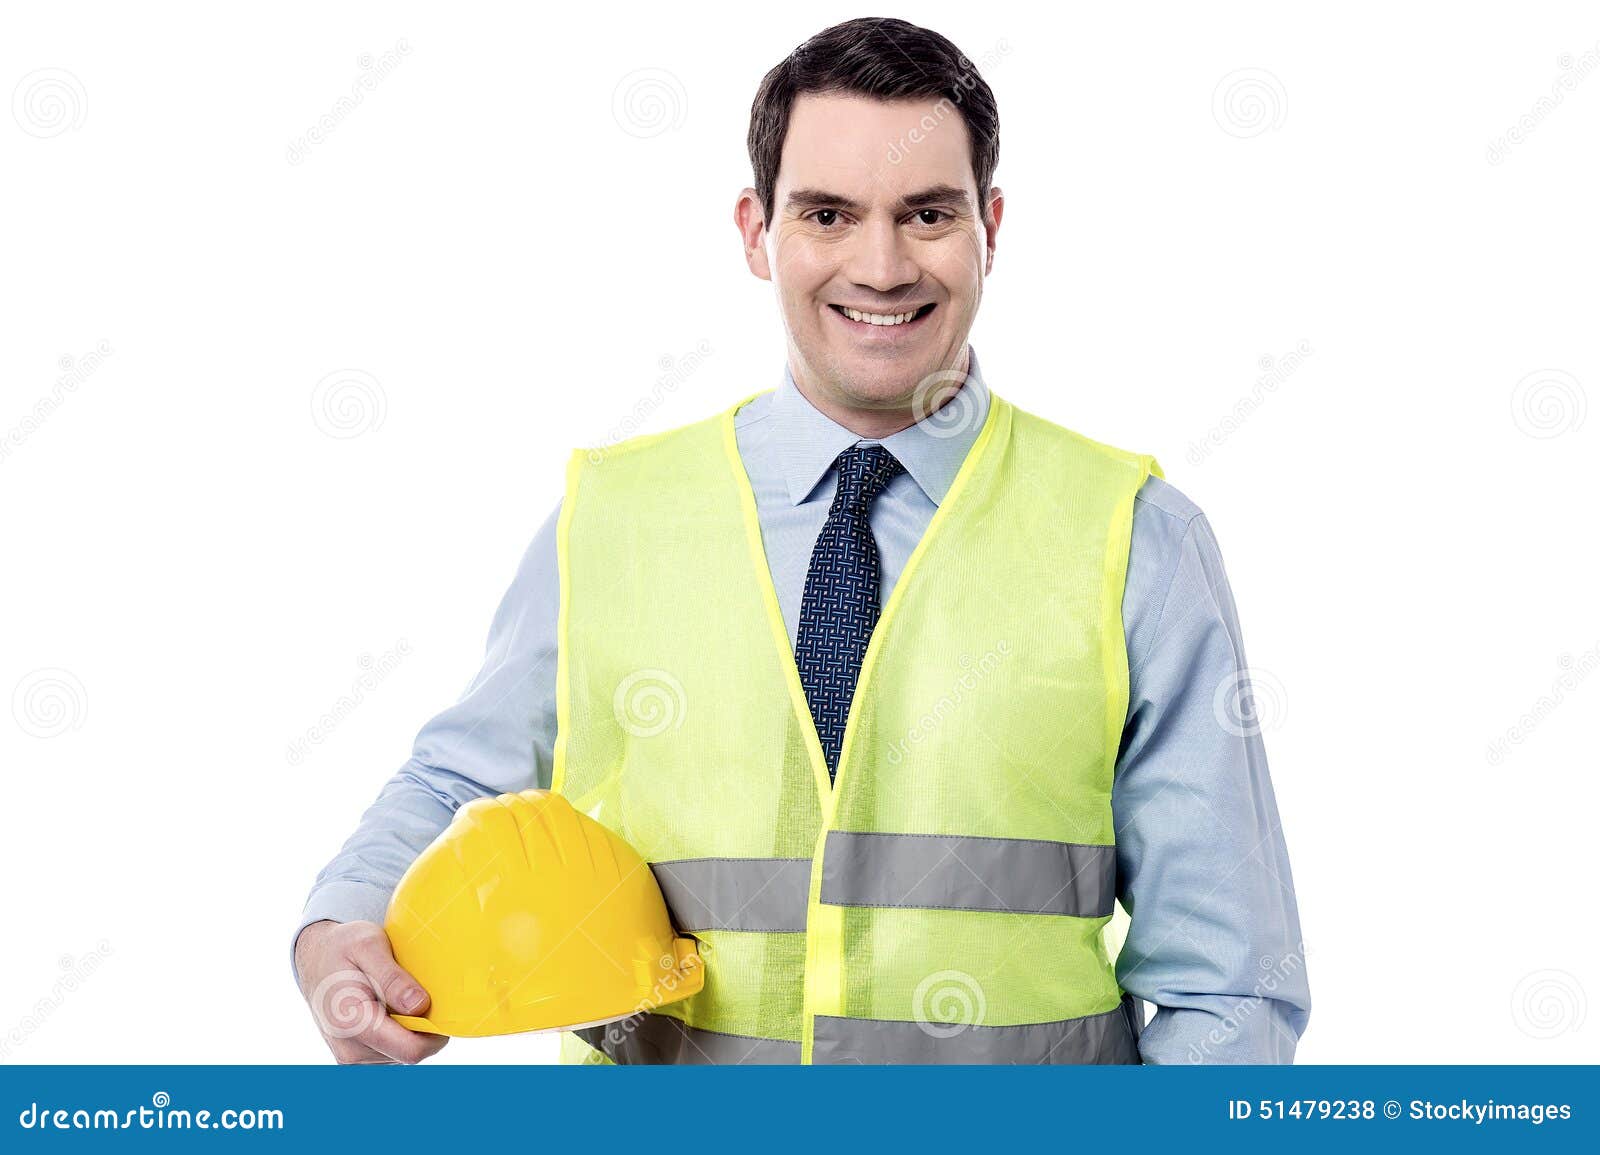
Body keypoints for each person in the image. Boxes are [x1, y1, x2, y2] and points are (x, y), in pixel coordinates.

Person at [293, 15, 1310, 1065]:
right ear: (754, 231)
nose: (880, 265)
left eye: (927, 214)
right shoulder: (616, 519)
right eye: (827, 213)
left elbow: (1226, 983)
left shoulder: (1134, 539)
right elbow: (461, 787)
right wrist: (338, 932)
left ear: (990, 229)